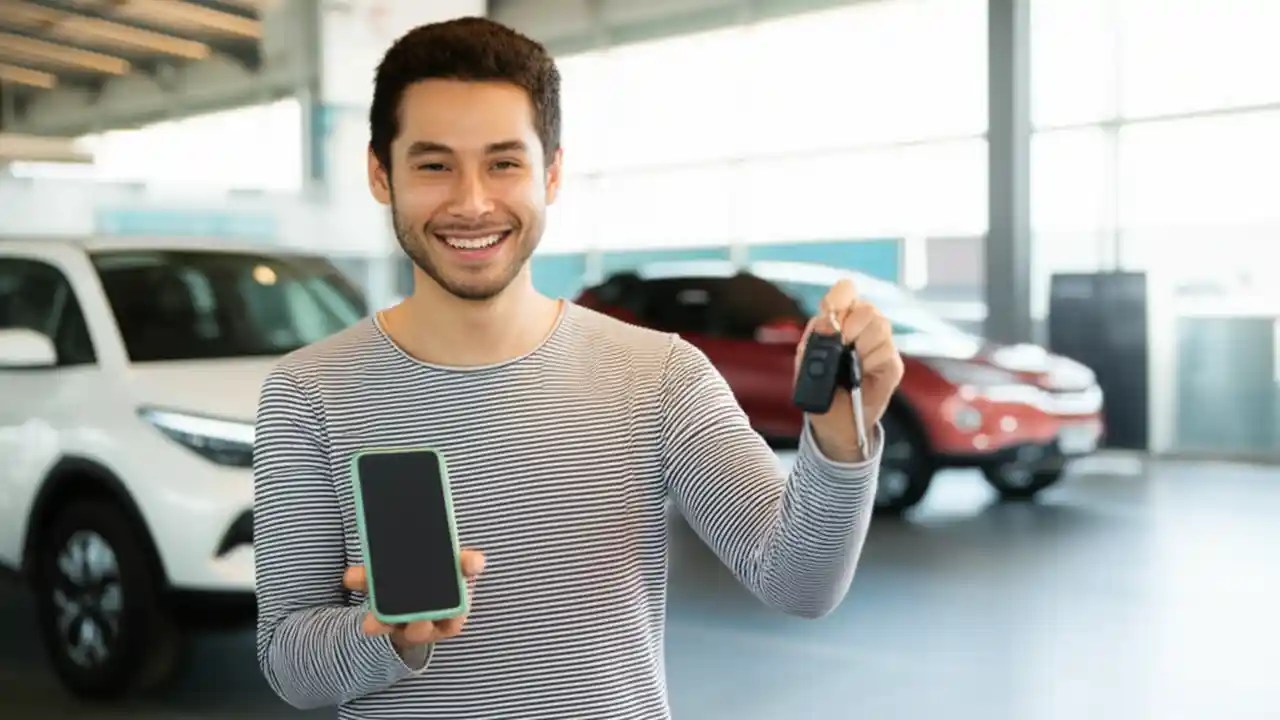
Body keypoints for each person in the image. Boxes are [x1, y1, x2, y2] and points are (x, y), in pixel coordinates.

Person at [252, 16, 904, 720]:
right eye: (434, 164)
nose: (472, 202)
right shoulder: (307, 393)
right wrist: (384, 636)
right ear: (382, 174)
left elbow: (798, 582)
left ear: (552, 172)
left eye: (504, 162)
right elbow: (290, 664)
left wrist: (840, 440)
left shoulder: (658, 376)